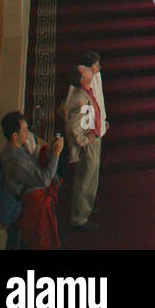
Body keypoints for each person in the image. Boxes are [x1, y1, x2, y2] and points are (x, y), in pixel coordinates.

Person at [0, 111, 64, 249]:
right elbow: (45, 179)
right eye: (25, 130)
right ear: (15, 136)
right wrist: (56, 155)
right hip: (30, 208)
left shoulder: (15, 150)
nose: (27, 134)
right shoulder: (15, 160)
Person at [65, 63, 103, 230]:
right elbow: (74, 127)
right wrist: (85, 140)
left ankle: (85, 208)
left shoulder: (85, 93)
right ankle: (80, 218)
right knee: (85, 180)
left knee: (90, 178)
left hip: (93, 138)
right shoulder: (79, 98)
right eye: (86, 70)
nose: (90, 70)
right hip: (88, 145)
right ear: (82, 79)